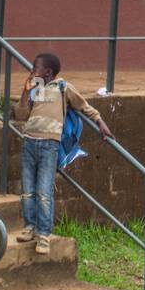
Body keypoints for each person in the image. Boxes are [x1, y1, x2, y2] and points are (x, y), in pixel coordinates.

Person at [9, 52, 113, 255]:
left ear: (48, 71)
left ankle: (44, 235)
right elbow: (23, 113)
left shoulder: (63, 88)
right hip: (30, 141)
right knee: (28, 190)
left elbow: (85, 107)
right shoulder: (37, 87)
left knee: (44, 191)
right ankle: (30, 227)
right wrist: (25, 91)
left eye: (36, 67)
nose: (32, 70)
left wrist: (100, 122)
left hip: (49, 146)